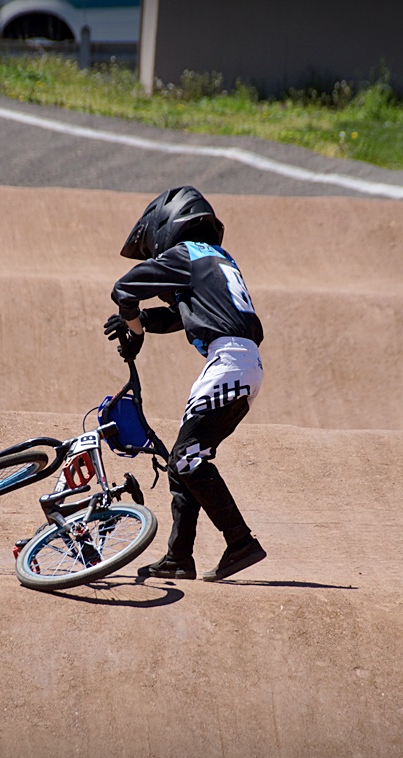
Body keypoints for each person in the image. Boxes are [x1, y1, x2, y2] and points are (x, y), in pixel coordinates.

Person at [105, 186, 266, 582]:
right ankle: (179, 558)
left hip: (228, 363)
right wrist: (139, 320)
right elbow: (179, 316)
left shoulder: (185, 254)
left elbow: (123, 289)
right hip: (239, 363)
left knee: (187, 459)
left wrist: (133, 322)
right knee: (183, 462)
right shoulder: (216, 259)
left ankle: (240, 541)